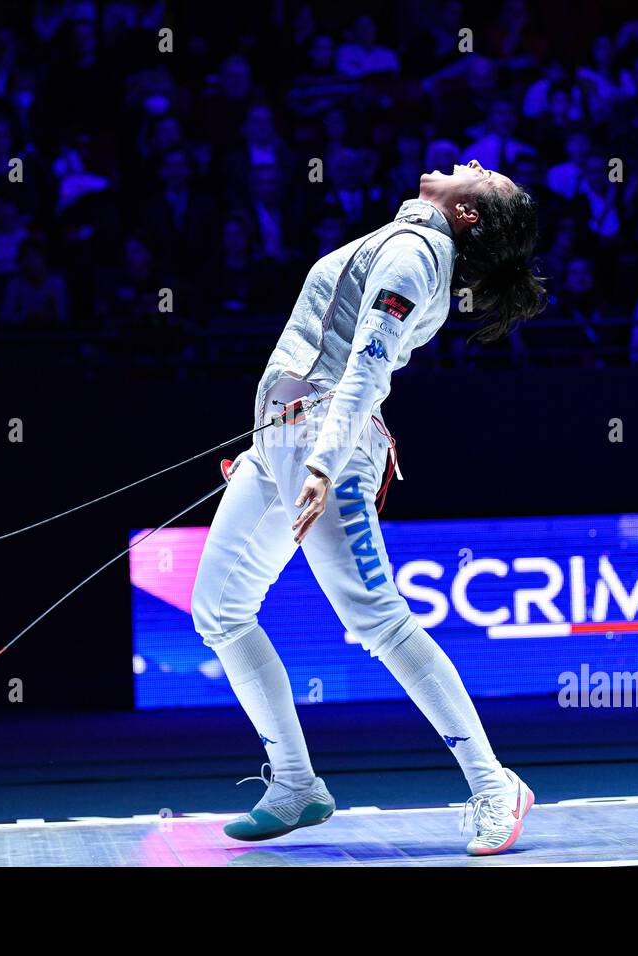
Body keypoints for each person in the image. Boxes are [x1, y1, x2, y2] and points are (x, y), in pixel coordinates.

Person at [191, 159, 546, 856]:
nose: (469, 163)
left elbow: (366, 367)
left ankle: (494, 786)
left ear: (469, 213)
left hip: (329, 448)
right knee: (219, 610)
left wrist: (320, 462)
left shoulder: (417, 254)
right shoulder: (405, 241)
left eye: (484, 174)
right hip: (280, 444)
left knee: (377, 619)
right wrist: (279, 448)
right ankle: (295, 784)